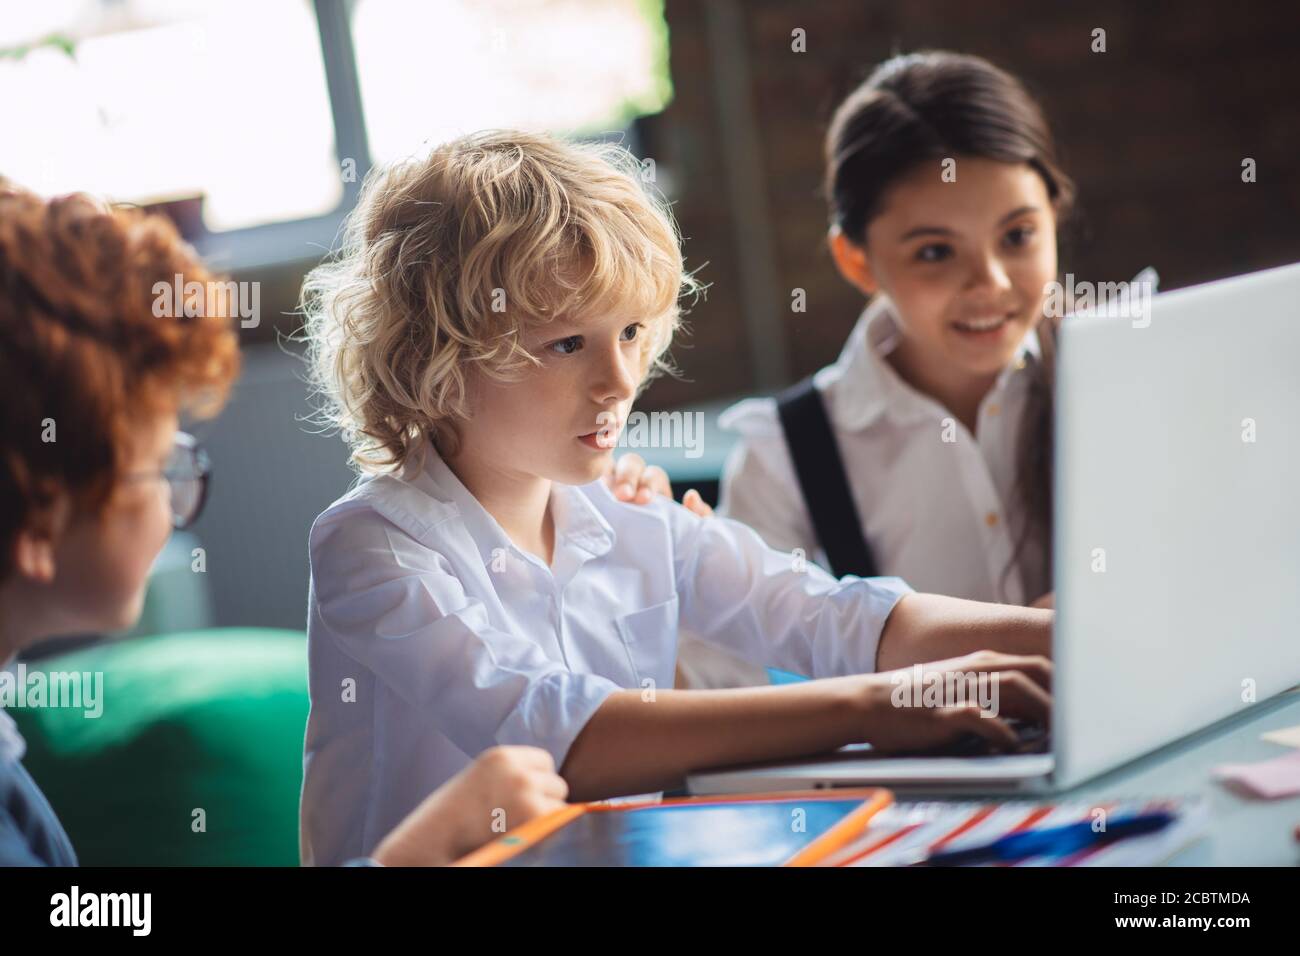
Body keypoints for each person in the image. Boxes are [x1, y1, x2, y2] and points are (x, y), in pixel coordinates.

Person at [298, 129, 1054, 866]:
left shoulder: (629, 513)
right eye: (568, 344)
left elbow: (834, 616)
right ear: (439, 358)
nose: (621, 382)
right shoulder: (372, 544)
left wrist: (1073, 636)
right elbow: (565, 737)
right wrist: (876, 704)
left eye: (629, 333)